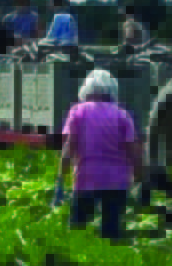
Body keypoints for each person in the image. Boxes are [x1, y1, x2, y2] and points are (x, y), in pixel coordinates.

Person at [54, 69, 145, 241]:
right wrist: (140, 179)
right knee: (111, 231)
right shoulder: (122, 115)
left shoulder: (78, 112)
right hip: (117, 183)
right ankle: (111, 263)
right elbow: (134, 151)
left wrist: (60, 177)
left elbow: (69, 147)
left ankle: (80, 263)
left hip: (86, 179)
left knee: (78, 229)